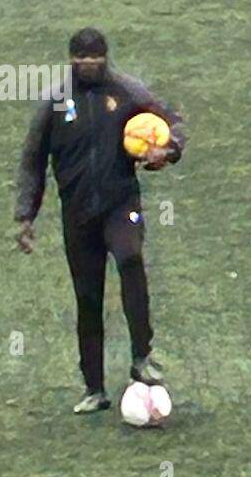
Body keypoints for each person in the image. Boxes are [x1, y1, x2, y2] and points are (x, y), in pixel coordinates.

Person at [15, 27, 186, 414]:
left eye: (96, 58)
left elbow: (173, 123)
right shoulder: (56, 102)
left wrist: (167, 151)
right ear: (71, 60)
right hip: (77, 215)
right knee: (88, 296)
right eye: (81, 59)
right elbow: (32, 160)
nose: (89, 65)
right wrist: (26, 216)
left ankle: (142, 356)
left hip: (120, 203)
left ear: (106, 58)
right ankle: (94, 387)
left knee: (130, 258)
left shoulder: (128, 92)